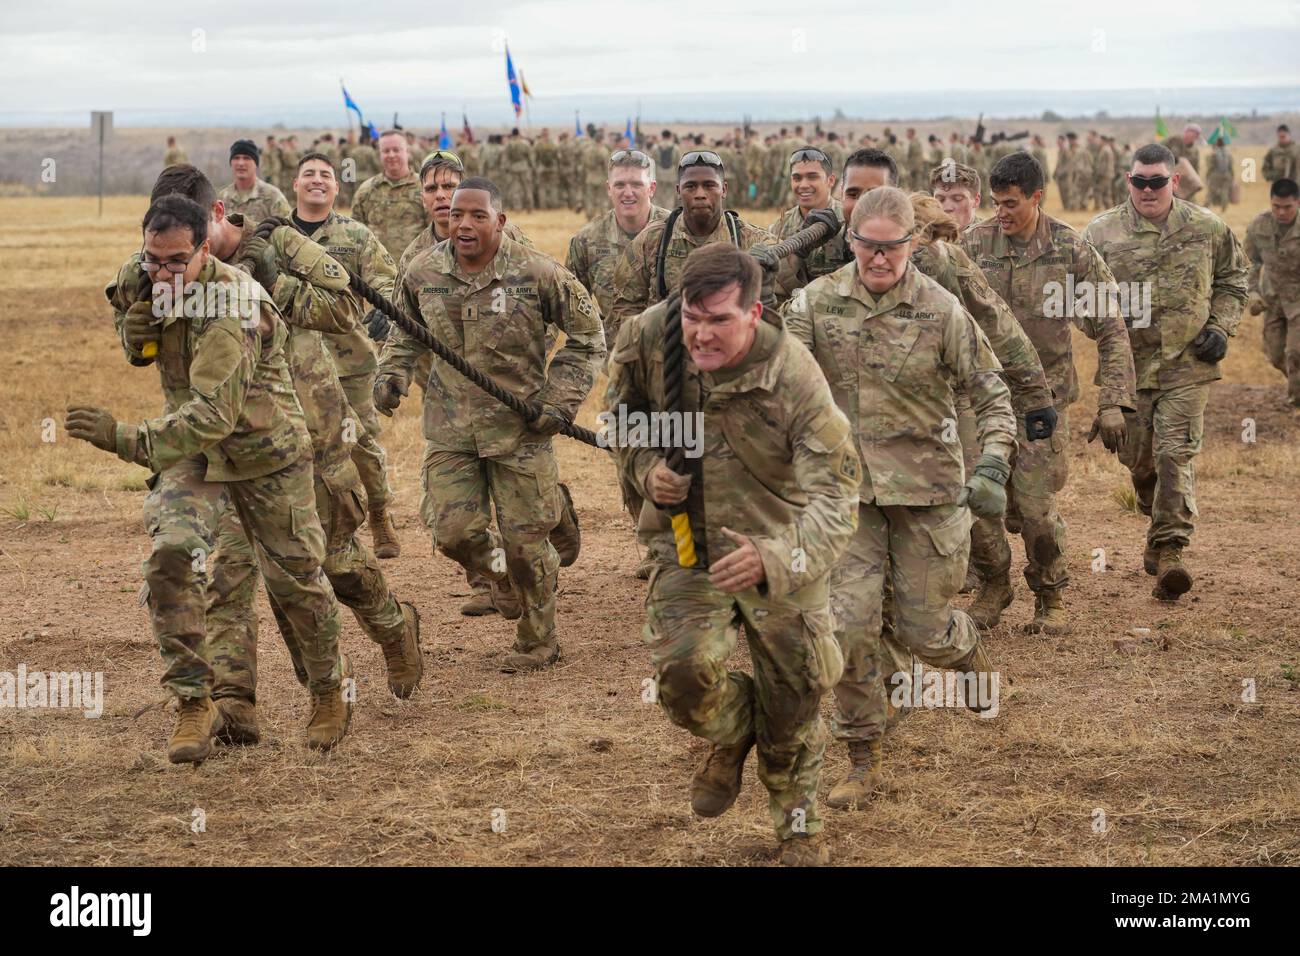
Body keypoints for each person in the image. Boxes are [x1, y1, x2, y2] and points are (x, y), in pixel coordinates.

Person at [607, 242, 860, 865]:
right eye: (692, 317)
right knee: (685, 678)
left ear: (755, 311)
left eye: (719, 319)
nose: (701, 334)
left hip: (781, 544)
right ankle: (736, 731)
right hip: (688, 542)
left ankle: (797, 824)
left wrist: (777, 557)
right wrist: (645, 469)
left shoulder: (794, 375)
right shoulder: (648, 337)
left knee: (796, 698)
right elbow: (619, 419)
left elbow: (837, 499)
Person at [78, 194, 351, 761]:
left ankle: (328, 691)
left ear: (206, 248)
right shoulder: (146, 272)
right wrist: (137, 330)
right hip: (195, 458)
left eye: (177, 261)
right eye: (154, 259)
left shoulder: (235, 304)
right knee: (172, 554)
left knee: (295, 580)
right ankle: (193, 702)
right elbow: (134, 335)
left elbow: (210, 416)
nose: (163, 271)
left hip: (263, 451)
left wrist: (120, 437)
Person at [782, 187, 1011, 811]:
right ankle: (863, 753)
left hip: (930, 494)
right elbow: (780, 375)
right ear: (849, 239)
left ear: (913, 243)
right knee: (849, 625)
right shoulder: (816, 301)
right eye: (866, 245)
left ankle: (965, 654)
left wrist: (992, 461)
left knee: (923, 629)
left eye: (892, 247)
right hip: (847, 497)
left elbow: (991, 392)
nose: (878, 259)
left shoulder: (943, 311)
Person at [375, 178, 605, 670]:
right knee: (453, 534)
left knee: (526, 544)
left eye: (478, 215)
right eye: (457, 214)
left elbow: (588, 337)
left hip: (522, 429)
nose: (463, 224)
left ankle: (537, 640)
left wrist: (560, 401)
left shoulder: (537, 273)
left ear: (499, 221)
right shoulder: (420, 272)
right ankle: (499, 576)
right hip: (451, 428)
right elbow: (403, 334)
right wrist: (391, 374)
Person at [962, 151, 1136, 632]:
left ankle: (1050, 595)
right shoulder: (973, 246)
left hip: (1043, 401)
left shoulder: (1069, 249)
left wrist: (1114, 400)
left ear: (1037, 197)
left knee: (1034, 508)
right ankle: (993, 586)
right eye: (996, 202)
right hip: (983, 396)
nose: (1002, 212)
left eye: (1012, 203)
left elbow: (1111, 326)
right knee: (982, 501)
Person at [1085, 144, 1248, 599]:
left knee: (1174, 455)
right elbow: (1080, 296)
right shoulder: (1101, 233)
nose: (1148, 190)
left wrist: (1220, 326)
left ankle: (1171, 551)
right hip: (1129, 369)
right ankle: (1151, 503)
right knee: (1139, 463)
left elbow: (1234, 280)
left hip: (1187, 366)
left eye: (1158, 181)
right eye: (1140, 181)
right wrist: (1102, 326)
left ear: (1174, 181)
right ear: (1128, 180)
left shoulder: (1206, 227)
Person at [289, 151, 403, 559]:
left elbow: (388, 282)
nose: (317, 180)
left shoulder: (355, 237)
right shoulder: (276, 238)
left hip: (350, 363)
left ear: (336, 187)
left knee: (360, 443)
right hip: (294, 366)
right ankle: (322, 529)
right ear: (296, 185)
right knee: (302, 448)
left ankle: (378, 512)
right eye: (308, 174)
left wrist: (385, 313)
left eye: (325, 175)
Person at [610, 149, 786, 329]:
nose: (700, 194)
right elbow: (624, 306)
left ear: (724, 189)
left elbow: (788, 298)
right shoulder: (653, 239)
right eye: (690, 186)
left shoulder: (752, 241)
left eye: (709, 185)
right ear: (679, 190)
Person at [1244, 178, 1300, 406]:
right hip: (1273, 299)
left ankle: (1297, 402)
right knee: (1275, 355)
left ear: (1297, 202)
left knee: (1295, 354)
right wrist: (1253, 293)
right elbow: (1248, 263)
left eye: (1287, 207)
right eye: (1276, 206)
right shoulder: (1260, 226)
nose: (1281, 212)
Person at [769, 146, 844, 285]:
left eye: (812, 177)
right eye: (797, 178)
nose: (803, 185)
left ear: (831, 180)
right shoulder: (779, 228)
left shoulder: (848, 221)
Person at [351, 129, 427, 262]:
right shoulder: (366, 191)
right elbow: (354, 235)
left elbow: (436, 233)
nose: (391, 155)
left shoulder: (425, 188)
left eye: (396, 150)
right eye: (386, 151)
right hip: (376, 272)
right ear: (379, 154)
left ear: (407, 152)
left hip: (415, 270)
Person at [218, 139, 291, 222]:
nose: (241, 163)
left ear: (256, 164)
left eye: (247, 158)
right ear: (231, 163)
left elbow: (287, 230)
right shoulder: (223, 197)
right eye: (236, 158)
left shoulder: (272, 196)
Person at [930, 160, 983, 230]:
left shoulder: (991, 237)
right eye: (940, 200)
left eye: (957, 199)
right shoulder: (925, 235)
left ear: (976, 201)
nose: (947, 208)